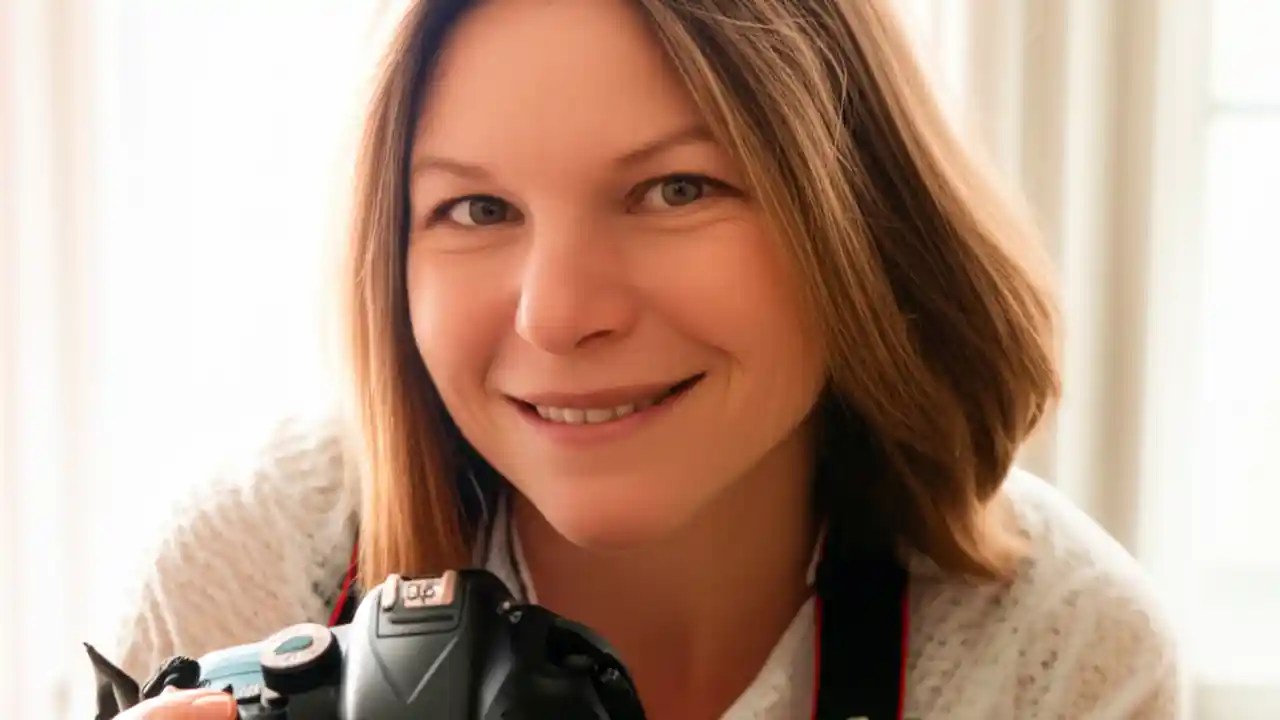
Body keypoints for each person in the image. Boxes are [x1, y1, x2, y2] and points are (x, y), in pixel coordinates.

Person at [113, 0, 1182, 718]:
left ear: (862, 220)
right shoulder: (256, 564)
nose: (558, 314)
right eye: (475, 208)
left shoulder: (1057, 653)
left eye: (676, 190)